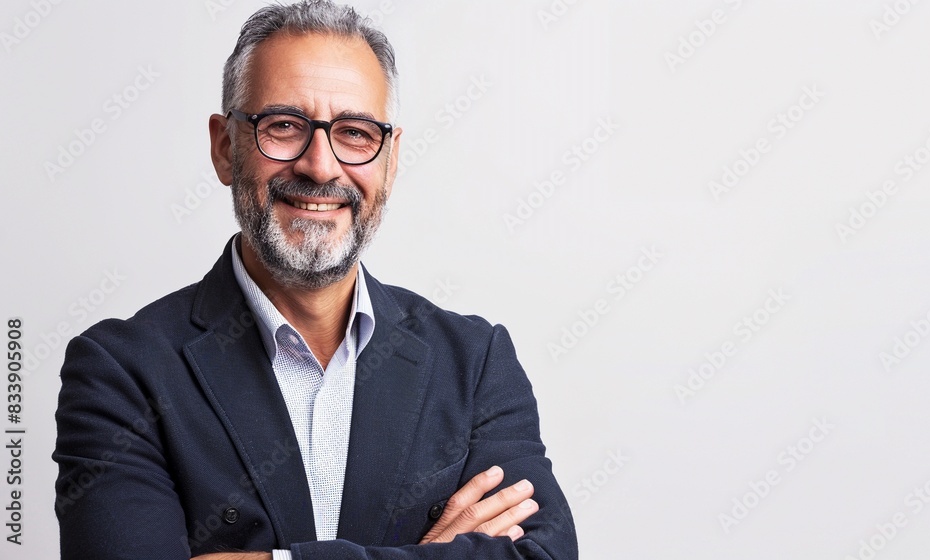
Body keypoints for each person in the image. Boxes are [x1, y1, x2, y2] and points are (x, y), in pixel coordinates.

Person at [52, 1, 578, 559]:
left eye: (354, 133)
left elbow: (543, 554)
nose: (321, 166)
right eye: (284, 126)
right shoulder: (119, 372)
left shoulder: (475, 363)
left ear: (391, 160)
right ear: (225, 146)